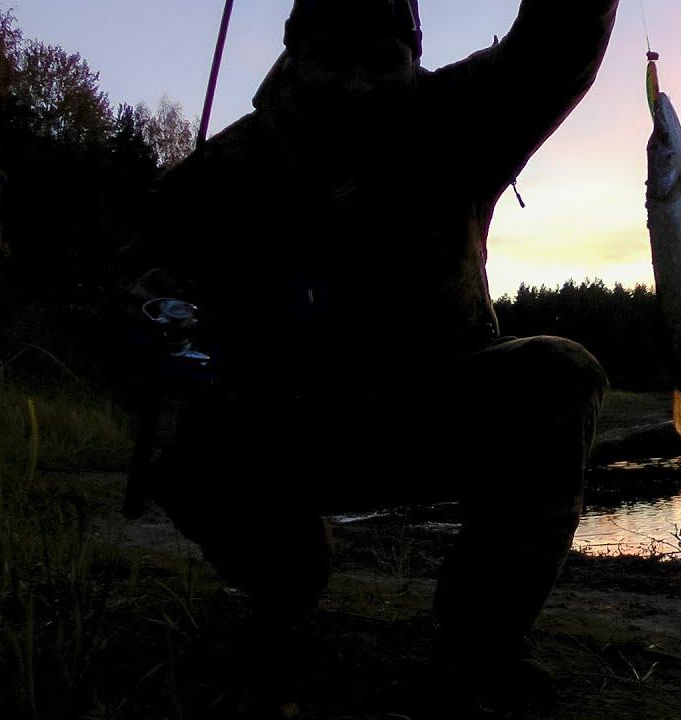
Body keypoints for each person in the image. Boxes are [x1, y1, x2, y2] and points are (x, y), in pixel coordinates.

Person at [121, 0, 618, 714]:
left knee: (560, 376)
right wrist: (157, 324)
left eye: (381, 61)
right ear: (294, 53)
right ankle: (281, 589)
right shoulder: (222, 171)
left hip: (434, 414)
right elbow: (139, 291)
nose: (357, 84)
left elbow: (556, 46)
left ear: (413, 57)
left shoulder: (460, 117)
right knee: (182, 435)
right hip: (282, 432)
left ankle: (477, 649)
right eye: (333, 59)